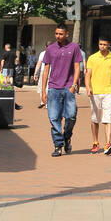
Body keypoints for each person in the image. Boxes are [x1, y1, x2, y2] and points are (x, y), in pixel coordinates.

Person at [41, 25, 82, 157]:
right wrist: (43, 90)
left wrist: (74, 85)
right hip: (53, 88)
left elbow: (77, 67)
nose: (58, 36)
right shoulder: (50, 49)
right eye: (56, 33)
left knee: (71, 116)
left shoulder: (74, 47)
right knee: (54, 118)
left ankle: (67, 137)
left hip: (68, 87)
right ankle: (58, 145)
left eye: (60, 33)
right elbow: (46, 70)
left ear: (67, 34)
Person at [85, 36, 111, 155]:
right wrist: (88, 87)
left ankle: (108, 143)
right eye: (100, 44)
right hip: (95, 92)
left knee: (107, 118)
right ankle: (95, 142)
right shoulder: (92, 58)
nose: (102, 47)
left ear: (109, 45)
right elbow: (87, 74)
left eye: (105, 44)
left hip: (108, 93)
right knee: (95, 119)